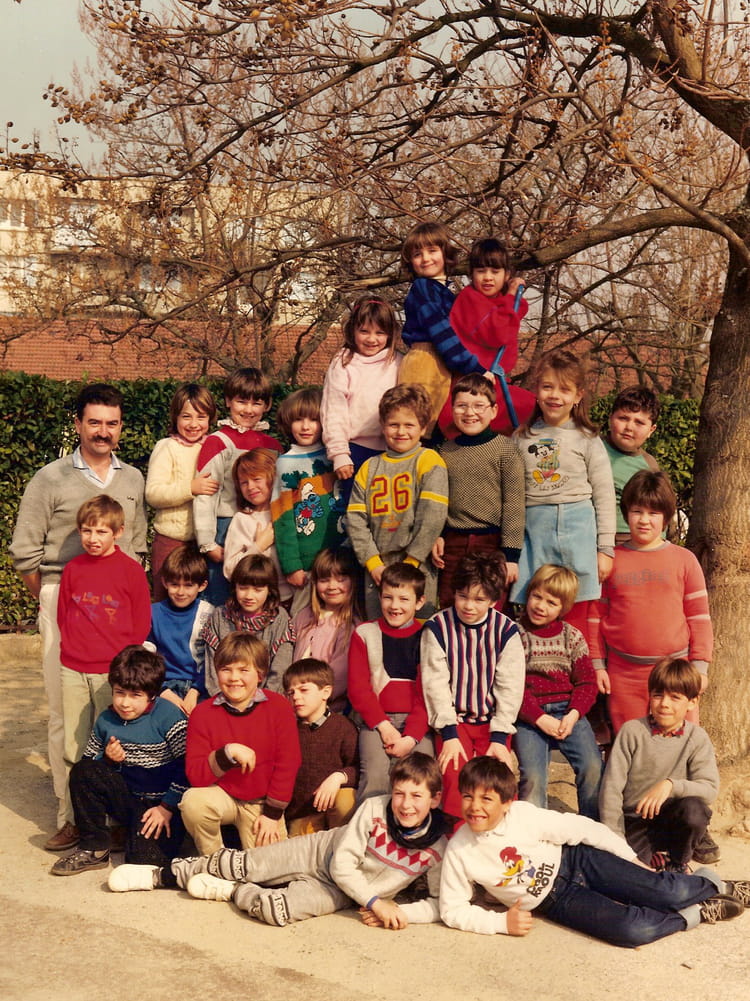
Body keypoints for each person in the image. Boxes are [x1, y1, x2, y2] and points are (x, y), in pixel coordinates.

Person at [10, 382, 147, 851]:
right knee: (65, 717)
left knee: (118, 715)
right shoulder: (49, 478)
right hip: (66, 600)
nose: (103, 431)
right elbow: (25, 551)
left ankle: (113, 815)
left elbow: (138, 545)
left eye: (111, 423)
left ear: (120, 427)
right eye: (94, 422)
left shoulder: (132, 479)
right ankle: (71, 816)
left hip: (116, 614)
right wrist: (53, 598)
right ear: (78, 425)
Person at [108, 752, 449, 934]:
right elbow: (342, 865)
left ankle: (229, 891)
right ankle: (159, 875)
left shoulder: (438, 846)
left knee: (276, 911)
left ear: (434, 800)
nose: (405, 804)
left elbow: (439, 904)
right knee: (244, 863)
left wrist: (397, 911)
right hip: (321, 853)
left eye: (417, 796)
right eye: (400, 793)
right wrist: (376, 901)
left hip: (343, 892)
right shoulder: (375, 808)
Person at [439, 757, 748, 946]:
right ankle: (697, 913)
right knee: (631, 931)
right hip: (555, 900)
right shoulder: (460, 849)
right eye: (467, 797)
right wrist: (499, 924)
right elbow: (451, 910)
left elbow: (584, 829)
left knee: (664, 892)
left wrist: (630, 861)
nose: (474, 807)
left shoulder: (521, 814)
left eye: (486, 799)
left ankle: (718, 885)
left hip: (580, 860)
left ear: (506, 803)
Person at [589, 469, 713, 733]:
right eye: (637, 512)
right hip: (624, 674)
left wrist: (700, 667)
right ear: (626, 514)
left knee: (679, 745)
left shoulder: (684, 560)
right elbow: (594, 617)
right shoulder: (610, 561)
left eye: (653, 513)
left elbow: (699, 617)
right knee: (631, 745)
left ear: (666, 518)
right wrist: (598, 665)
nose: (644, 520)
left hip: (676, 673)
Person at [50, 645, 188, 876]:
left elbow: (188, 768)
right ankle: (95, 847)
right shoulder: (106, 719)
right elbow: (89, 764)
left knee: (143, 863)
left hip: (162, 804)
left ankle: (136, 835)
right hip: (128, 799)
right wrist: (108, 759)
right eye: (119, 692)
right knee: (83, 770)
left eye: (135, 696)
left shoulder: (169, 716)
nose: (125, 703)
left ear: (152, 694)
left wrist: (166, 807)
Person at [57, 495, 151, 828]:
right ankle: (73, 820)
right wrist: (72, 648)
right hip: (73, 668)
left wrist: (122, 670)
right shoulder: (74, 568)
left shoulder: (131, 571)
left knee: (113, 745)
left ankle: (114, 822)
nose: (92, 539)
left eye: (100, 531)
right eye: (86, 531)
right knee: (73, 746)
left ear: (118, 532)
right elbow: (63, 615)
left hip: (109, 674)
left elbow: (140, 623)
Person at [511, 349, 616, 645]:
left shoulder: (588, 439)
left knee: (576, 613)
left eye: (564, 389)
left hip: (578, 532)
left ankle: (577, 681)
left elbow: (605, 494)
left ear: (578, 395)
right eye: (547, 387)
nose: (555, 396)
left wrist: (605, 549)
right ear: (536, 390)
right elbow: (513, 496)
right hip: (535, 532)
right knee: (536, 610)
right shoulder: (521, 438)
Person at [420, 552, 524, 821]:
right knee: (456, 778)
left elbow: (510, 688)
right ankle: (457, 843)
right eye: (463, 596)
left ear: (493, 599)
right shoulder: (438, 628)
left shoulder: (506, 631)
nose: (469, 606)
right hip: (454, 722)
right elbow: (435, 684)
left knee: (497, 783)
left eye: (479, 600)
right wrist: (449, 733)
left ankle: (499, 844)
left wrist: (500, 738)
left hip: (492, 723)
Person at [179, 632, 300, 854]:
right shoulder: (202, 713)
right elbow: (196, 775)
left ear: (260, 674)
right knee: (192, 802)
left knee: (269, 873)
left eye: (244, 670)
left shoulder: (278, 707)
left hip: (261, 803)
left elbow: (288, 763)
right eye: (226, 669)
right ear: (217, 673)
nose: (234, 678)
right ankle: (214, 862)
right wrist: (227, 752)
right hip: (222, 794)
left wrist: (272, 814)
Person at [599, 658, 719, 873]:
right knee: (632, 876)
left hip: (672, 820)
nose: (664, 704)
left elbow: (709, 789)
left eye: (675, 697)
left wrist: (671, 785)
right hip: (635, 821)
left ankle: (678, 863)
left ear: (692, 702)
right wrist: (615, 840)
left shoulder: (697, 738)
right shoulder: (632, 732)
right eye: (658, 695)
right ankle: (651, 859)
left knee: (694, 810)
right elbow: (611, 790)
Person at [346, 383, 449, 618]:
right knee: (379, 631)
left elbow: (432, 517)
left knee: (419, 633)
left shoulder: (429, 461)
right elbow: (356, 520)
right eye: (394, 424)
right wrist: (373, 563)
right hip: (378, 569)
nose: (401, 431)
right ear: (383, 427)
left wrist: (411, 562)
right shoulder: (370, 467)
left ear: (423, 427)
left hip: (416, 565)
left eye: (409, 425)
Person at [514, 564, 602, 820]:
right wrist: (539, 719)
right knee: (533, 775)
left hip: (567, 710)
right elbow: (511, 687)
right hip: (529, 716)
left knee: (593, 766)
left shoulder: (571, 637)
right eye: (537, 597)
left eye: (551, 602)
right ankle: (536, 833)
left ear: (563, 608)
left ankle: (591, 827)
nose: (541, 606)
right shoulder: (514, 634)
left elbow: (587, 683)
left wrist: (573, 714)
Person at [432, 373, 525, 608]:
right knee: (450, 603)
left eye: (478, 406)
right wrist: (438, 535)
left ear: (493, 410)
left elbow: (514, 505)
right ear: (452, 410)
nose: (469, 412)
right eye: (461, 406)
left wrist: (511, 556)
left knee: (489, 606)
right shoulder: (444, 450)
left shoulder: (506, 450)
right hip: (453, 542)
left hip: (491, 544)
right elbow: (439, 499)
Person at [192, 367, 282, 605]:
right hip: (224, 527)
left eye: (256, 403)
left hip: (264, 524)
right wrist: (207, 542)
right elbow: (205, 494)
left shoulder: (272, 445)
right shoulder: (218, 442)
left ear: (267, 405)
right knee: (220, 597)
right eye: (242, 402)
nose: (249, 409)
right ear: (228, 402)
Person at [348, 562, 434, 802]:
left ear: (419, 602)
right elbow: (359, 689)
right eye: (388, 597)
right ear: (379, 597)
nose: (394, 606)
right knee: (375, 777)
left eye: (403, 599)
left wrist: (411, 737)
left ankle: (418, 835)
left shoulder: (428, 635)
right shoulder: (365, 633)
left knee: (422, 777)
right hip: (375, 721)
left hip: (417, 724)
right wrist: (384, 727)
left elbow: (429, 691)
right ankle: (369, 833)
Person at [436, 237, 535, 437]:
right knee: (525, 410)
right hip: (471, 382)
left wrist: (512, 297)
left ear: (506, 275)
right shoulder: (469, 299)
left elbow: (516, 312)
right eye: (481, 271)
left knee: (537, 407)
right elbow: (498, 333)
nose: (488, 277)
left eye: (495, 271)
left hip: (494, 381)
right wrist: (511, 295)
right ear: (471, 274)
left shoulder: (498, 301)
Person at [398, 220, 482, 434]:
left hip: (442, 362)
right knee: (417, 428)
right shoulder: (423, 288)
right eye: (417, 254)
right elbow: (441, 331)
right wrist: (474, 367)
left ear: (445, 253)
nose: (425, 258)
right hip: (426, 362)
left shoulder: (444, 290)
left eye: (432, 250)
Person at [320, 295, 402, 506]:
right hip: (354, 450)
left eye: (380, 333)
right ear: (352, 330)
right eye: (364, 331)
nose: (371, 339)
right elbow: (333, 411)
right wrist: (339, 454)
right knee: (355, 510)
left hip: (392, 448)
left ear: (390, 334)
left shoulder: (398, 362)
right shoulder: (344, 362)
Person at [270, 387, 346, 608]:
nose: (305, 426)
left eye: (314, 419)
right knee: (304, 618)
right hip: (307, 563)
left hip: (342, 555)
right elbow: (282, 518)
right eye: (298, 419)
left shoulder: (337, 456)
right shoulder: (285, 464)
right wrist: (292, 565)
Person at [145, 382, 218, 601]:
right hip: (170, 541)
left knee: (200, 602)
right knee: (166, 597)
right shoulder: (167, 447)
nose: (194, 424)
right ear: (175, 417)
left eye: (201, 417)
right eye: (186, 417)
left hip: (203, 544)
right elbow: (154, 494)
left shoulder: (214, 447)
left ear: (210, 419)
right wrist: (190, 488)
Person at [282, 658, 359, 836]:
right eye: (291, 692)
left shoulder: (343, 727)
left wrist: (338, 777)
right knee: (298, 859)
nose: (296, 697)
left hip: (333, 811)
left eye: (303, 690)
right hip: (300, 814)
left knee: (345, 801)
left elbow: (357, 767)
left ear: (325, 692)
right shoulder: (288, 730)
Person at [202, 554, 295, 696]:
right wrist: (223, 699)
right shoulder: (220, 616)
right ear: (235, 587)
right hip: (224, 698)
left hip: (266, 701)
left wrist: (262, 701)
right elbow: (212, 667)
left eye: (258, 590)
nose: (249, 596)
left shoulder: (279, 618)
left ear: (269, 590)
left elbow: (280, 668)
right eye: (243, 588)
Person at [291, 548, 361, 712]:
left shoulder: (352, 627)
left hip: (326, 709)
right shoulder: (304, 616)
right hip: (292, 702)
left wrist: (311, 700)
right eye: (324, 580)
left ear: (352, 581)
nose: (332, 586)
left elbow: (339, 676)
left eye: (341, 579)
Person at [147, 544, 213, 716]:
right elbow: (145, 660)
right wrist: (162, 692)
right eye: (175, 584)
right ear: (165, 582)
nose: (181, 592)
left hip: (199, 686)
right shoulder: (152, 613)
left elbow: (213, 659)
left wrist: (195, 691)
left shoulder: (209, 613)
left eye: (188, 585)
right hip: (163, 687)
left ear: (202, 585)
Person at [222, 447, 291, 606]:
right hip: (257, 604)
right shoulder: (242, 520)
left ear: (273, 477)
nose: (250, 487)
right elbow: (230, 570)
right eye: (244, 482)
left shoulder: (289, 511)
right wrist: (258, 546)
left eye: (257, 479)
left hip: (293, 596)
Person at [602, 386, 661, 544]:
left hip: (629, 541)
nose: (629, 427)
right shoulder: (591, 448)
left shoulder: (649, 466)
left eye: (639, 423)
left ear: (651, 430)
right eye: (623, 418)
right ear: (610, 418)